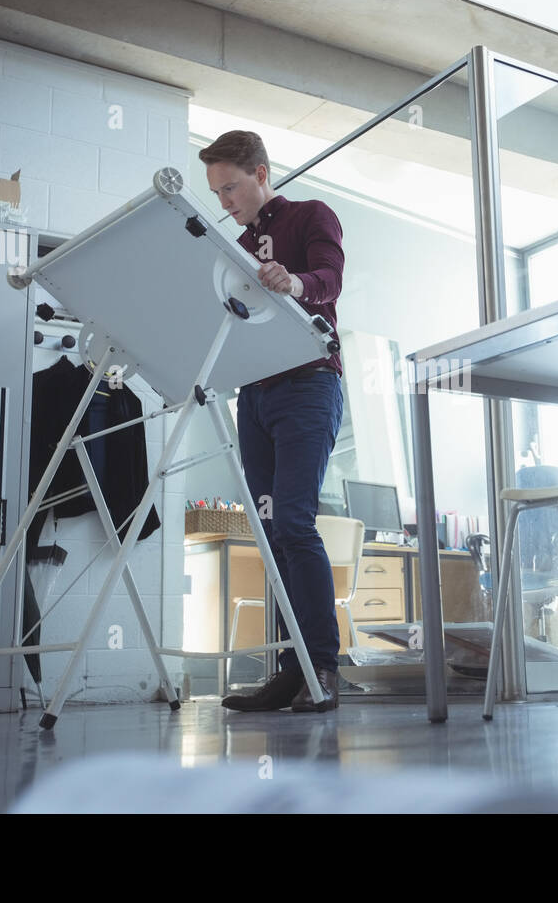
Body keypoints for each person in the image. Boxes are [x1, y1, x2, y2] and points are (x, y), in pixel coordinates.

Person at [199, 130, 345, 713]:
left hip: (309, 382)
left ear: (261, 173)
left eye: (230, 186)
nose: (225, 199)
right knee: (268, 532)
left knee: (293, 521)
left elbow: (330, 279)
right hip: (255, 395)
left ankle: (324, 670)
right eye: (216, 191)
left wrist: (297, 283)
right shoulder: (234, 246)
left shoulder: (312, 215)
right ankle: (292, 670)